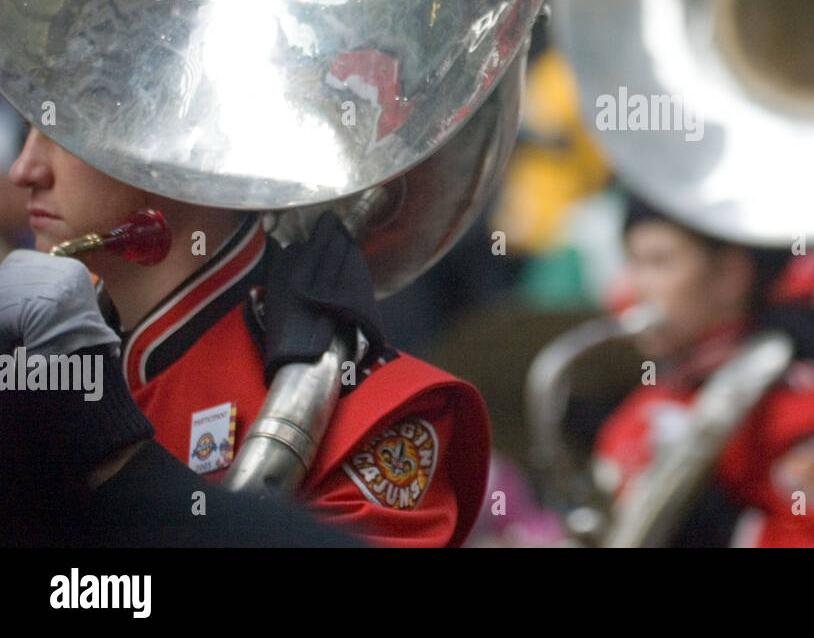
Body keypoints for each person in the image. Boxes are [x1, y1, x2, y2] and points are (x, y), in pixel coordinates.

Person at [7, 125, 489, 547]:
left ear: (183, 152)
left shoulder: (381, 413)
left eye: (67, 134)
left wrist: (113, 452)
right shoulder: (37, 364)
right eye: (28, 128)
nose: (24, 170)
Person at [589, 197, 814, 548]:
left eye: (659, 262)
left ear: (730, 276)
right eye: (632, 261)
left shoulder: (813, 417)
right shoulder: (646, 405)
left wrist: (727, 531)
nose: (635, 287)